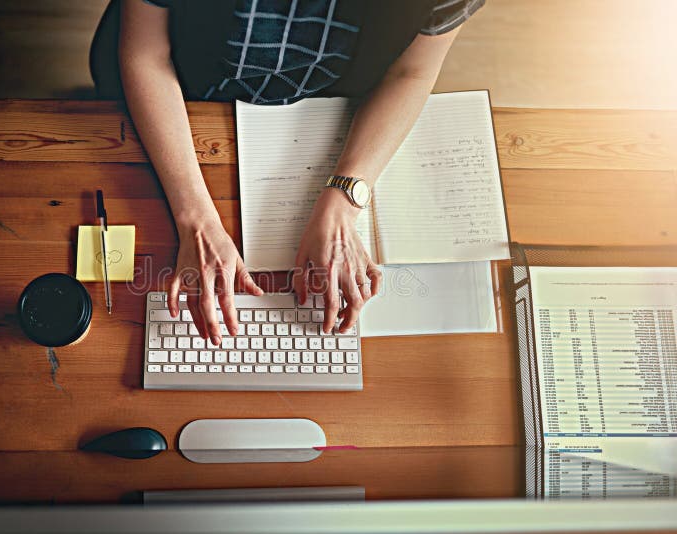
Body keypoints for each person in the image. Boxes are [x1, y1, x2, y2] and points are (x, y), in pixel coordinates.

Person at [92, 0, 483, 346]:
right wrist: (195, 220)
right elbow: (146, 56)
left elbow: (411, 72)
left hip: (330, 103)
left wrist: (345, 200)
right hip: (188, 90)